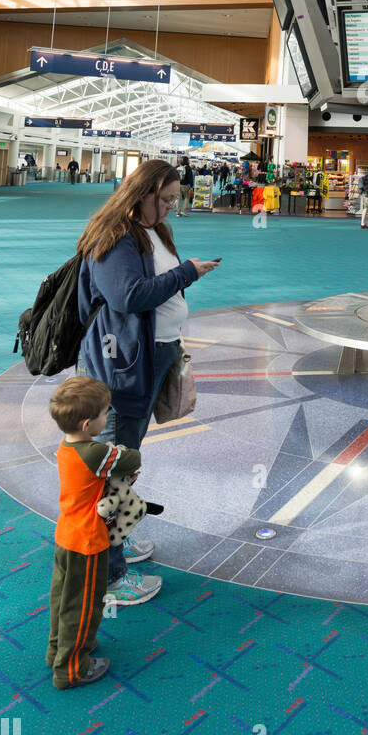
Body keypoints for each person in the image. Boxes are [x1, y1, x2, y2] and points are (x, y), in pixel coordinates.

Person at [77, 159, 219, 604]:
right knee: (113, 466)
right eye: (167, 199)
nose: (172, 208)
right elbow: (127, 295)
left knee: (126, 458)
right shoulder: (114, 236)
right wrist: (186, 273)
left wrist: (181, 279)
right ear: (142, 194)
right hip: (121, 365)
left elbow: (153, 288)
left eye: (176, 199)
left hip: (147, 357)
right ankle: (110, 578)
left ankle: (117, 542)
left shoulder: (151, 231)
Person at [46, 376, 141, 688]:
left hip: (66, 535)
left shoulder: (68, 447)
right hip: (88, 542)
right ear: (88, 424)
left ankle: (57, 650)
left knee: (62, 598)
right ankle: (71, 669)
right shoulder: (95, 453)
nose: (107, 417)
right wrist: (122, 454)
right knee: (84, 606)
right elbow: (132, 457)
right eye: (104, 413)